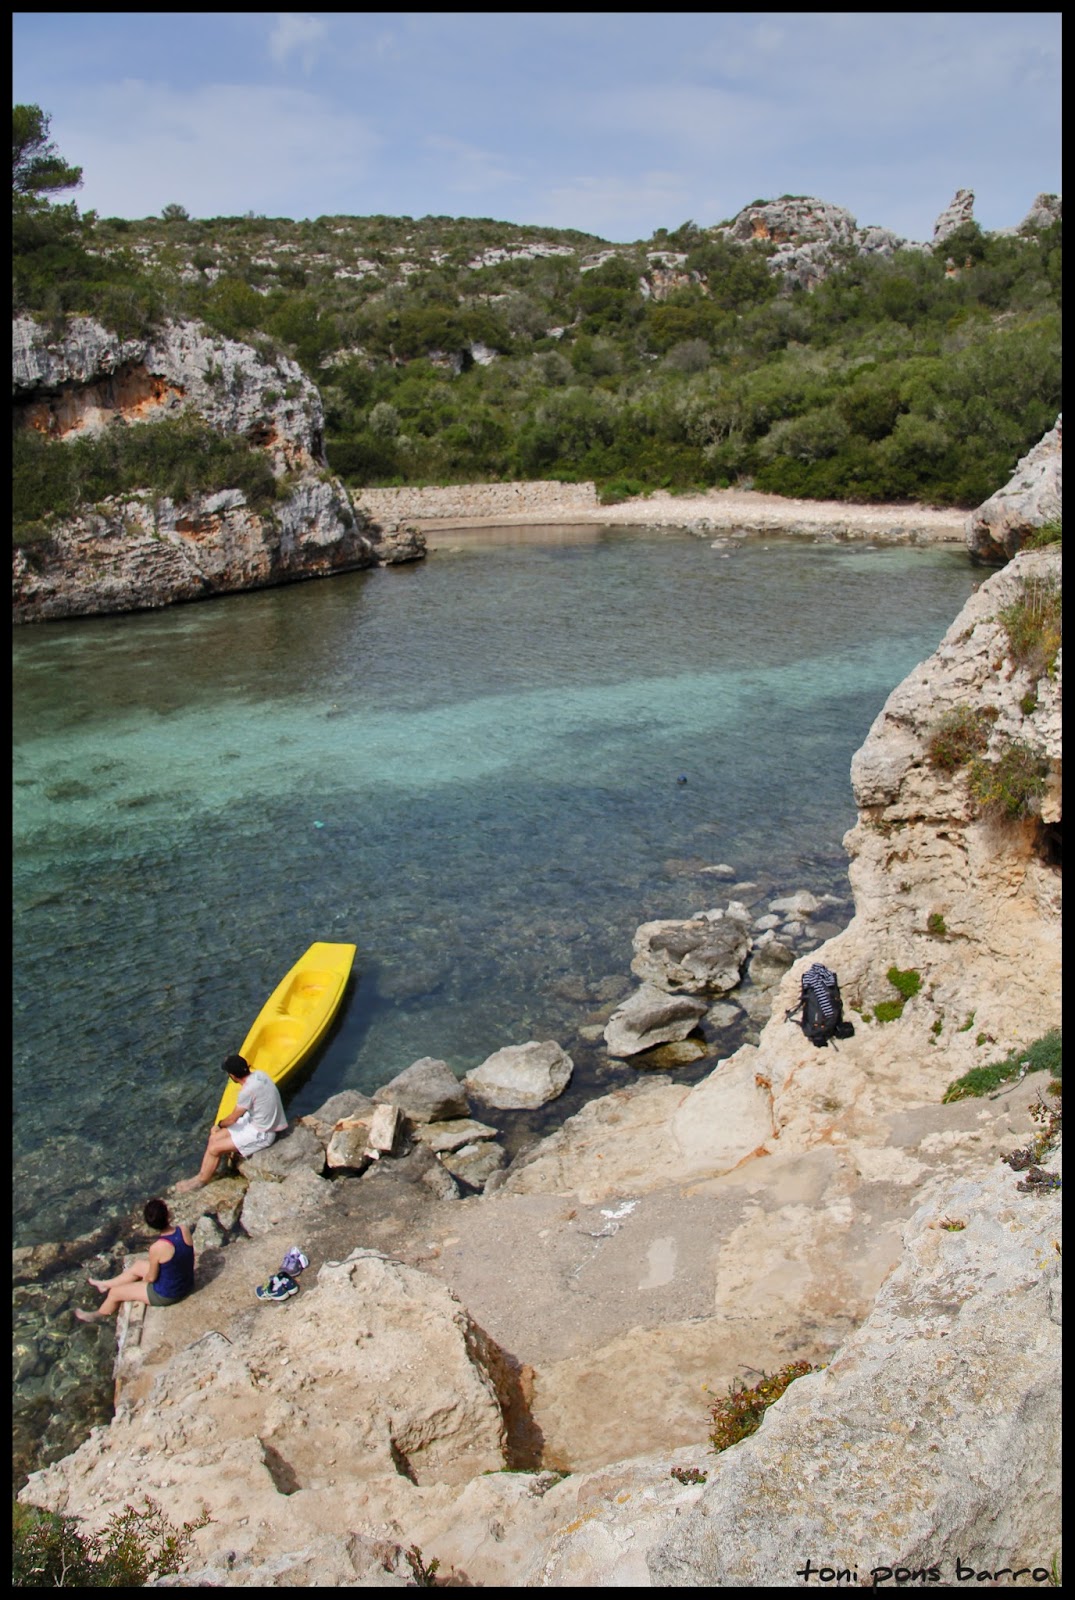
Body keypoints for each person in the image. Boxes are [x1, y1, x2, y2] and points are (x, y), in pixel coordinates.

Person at [176, 1053, 287, 1193]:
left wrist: (219, 1124)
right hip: (258, 1121)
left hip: (263, 1133)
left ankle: (201, 1181)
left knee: (214, 1148)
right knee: (214, 1138)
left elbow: (232, 1119)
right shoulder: (260, 1074)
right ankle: (205, 1172)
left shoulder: (247, 1091)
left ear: (233, 1076)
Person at [74, 1198, 194, 1321]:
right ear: (168, 1214)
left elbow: (151, 1278)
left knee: (115, 1293)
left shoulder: (157, 1247)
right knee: (138, 1266)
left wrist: (142, 1281)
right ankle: (105, 1284)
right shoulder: (183, 1229)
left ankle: (97, 1315)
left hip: (169, 1293)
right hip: (187, 1282)